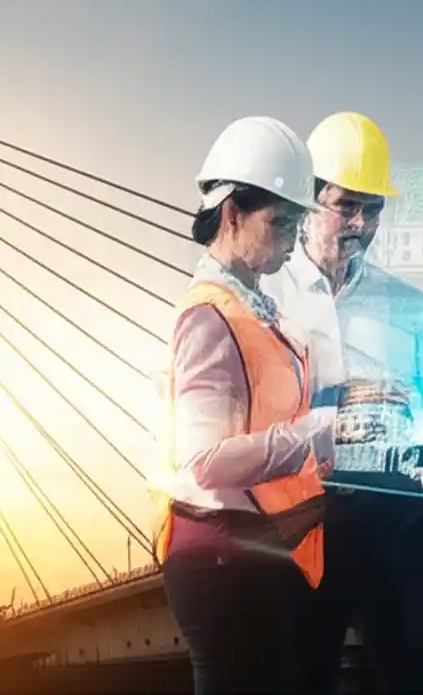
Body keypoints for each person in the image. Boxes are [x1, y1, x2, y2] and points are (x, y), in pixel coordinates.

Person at [263, 111, 423, 693]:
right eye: (347, 205)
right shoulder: (260, 301)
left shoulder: (410, 309)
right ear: (308, 201)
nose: (361, 223)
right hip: (300, 518)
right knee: (298, 675)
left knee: (421, 677)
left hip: (399, 519)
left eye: (374, 208)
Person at [149, 115, 337, 694]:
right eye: (280, 223)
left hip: (253, 546)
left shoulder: (257, 307)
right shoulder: (209, 316)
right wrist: (317, 432)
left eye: (296, 224)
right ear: (232, 214)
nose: (290, 240)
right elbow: (203, 462)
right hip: (221, 558)